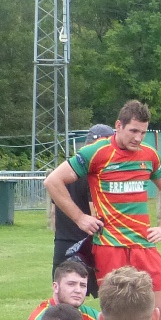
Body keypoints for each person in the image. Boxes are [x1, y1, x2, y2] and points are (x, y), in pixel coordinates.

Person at [43, 100, 161, 320]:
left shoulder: (149, 156)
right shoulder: (96, 152)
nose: (138, 138)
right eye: (133, 131)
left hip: (144, 247)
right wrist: (80, 217)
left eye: (143, 132)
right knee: (116, 319)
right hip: (110, 247)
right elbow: (53, 181)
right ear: (118, 126)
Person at [51, 123, 115, 297]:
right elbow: (97, 214)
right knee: (108, 297)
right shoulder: (93, 173)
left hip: (62, 241)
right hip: (86, 245)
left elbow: (53, 214)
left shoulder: (65, 170)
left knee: (64, 299)